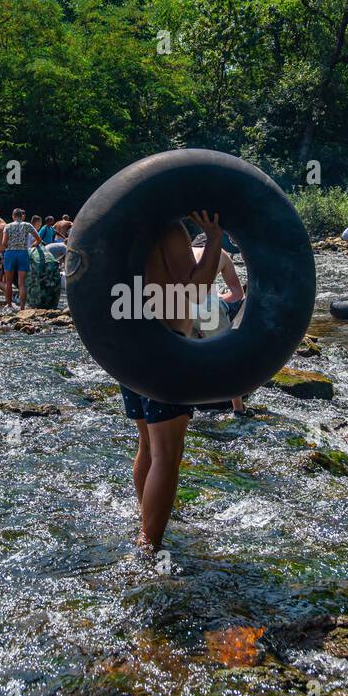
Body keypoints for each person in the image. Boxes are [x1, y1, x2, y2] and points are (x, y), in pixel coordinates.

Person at [123, 210, 224, 551]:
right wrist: (213, 240)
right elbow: (195, 292)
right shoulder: (167, 227)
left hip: (125, 349)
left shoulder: (122, 226)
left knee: (148, 446)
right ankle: (149, 543)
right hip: (165, 349)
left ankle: (146, 522)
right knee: (167, 453)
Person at [192, 233, 247, 415]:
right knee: (226, 355)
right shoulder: (221, 253)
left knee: (186, 351)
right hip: (207, 305)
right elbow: (237, 294)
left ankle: (187, 402)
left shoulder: (182, 251)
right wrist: (219, 297)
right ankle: (238, 407)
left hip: (173, 303)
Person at [2, 208, 42, 310]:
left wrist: (9, 248)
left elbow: (3, 243)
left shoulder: (8, 226)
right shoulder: (27, 225)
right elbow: (38, 239)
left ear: (13, 216)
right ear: (22, 216)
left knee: (8, 282)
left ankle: (10, 305)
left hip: (10, 253)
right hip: (23, 253)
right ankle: (22, 308)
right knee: (21, 283)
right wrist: (32, 246)